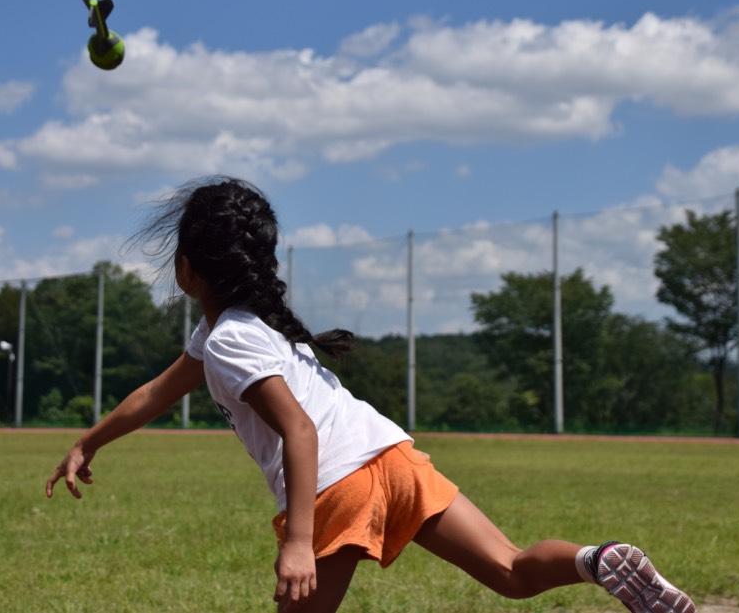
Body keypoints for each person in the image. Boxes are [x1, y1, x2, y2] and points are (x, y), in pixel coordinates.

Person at [47, 177, 696, 613]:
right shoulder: (243, 327)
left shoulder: (229, 340)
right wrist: (88, 442)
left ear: (188, 268)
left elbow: (299, 431)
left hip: (335, 484)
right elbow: (159, 391)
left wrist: (298, 542)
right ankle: (598, 560)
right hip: (390, 455)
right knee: (511, 570)